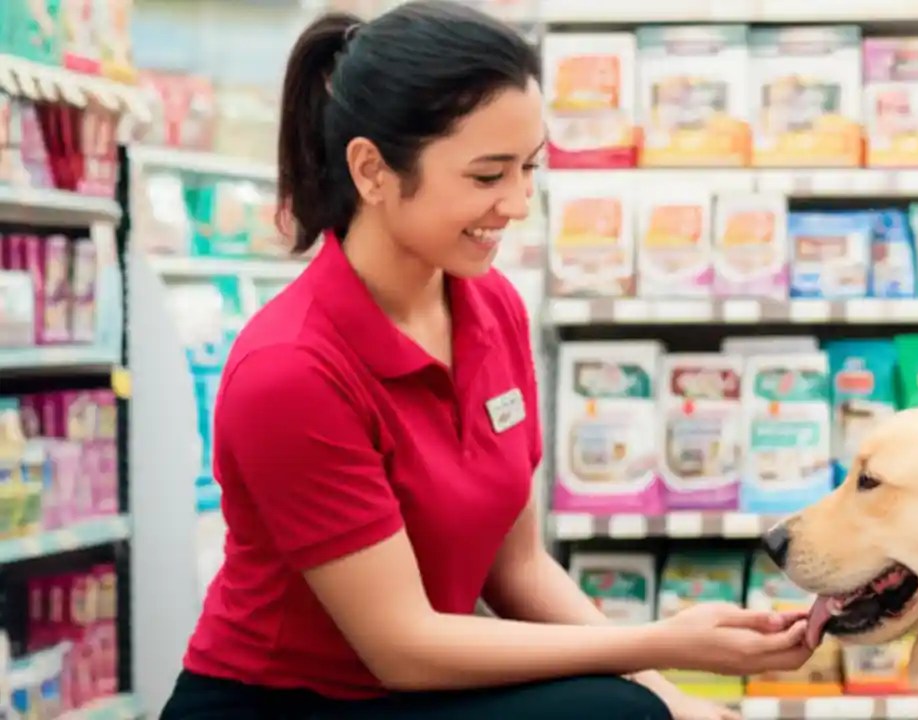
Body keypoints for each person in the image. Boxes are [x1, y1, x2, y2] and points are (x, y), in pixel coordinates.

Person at [157, 3, 814, 719]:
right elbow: (402, 646)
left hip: (415, 688)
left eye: (529, 167)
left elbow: (519, 569)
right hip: (289, 704)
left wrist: (667, 690)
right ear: (372, 170)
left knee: (629, 707)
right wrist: (657, 645)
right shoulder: (291, 370)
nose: (518, 203)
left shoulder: (491, 307)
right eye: (487, 175)